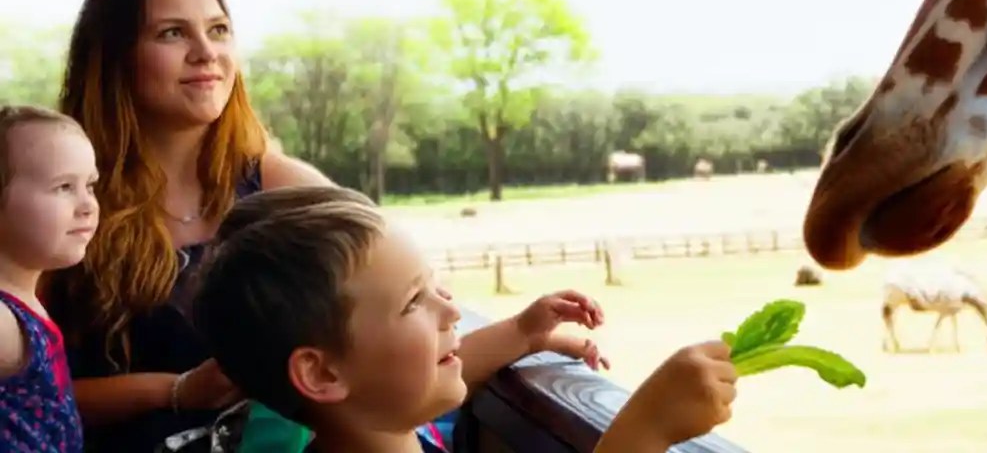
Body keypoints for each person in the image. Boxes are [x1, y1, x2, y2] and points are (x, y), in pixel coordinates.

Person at [40, 0, 334, 452]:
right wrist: (171, 391)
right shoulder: (57, 199)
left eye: (218, 30)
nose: (205, 52)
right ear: (115, 58)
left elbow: (394, 309)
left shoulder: (284, 188)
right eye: (172, 33)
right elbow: (26, 394)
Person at [192, 186, 739, 453]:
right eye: (414, 301)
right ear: (322, 374)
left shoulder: (372, 424)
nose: (451, 309)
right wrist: (645, 430)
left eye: (436, 286)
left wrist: (525, 332)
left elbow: (419, 372)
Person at [0, 105, 100, 451]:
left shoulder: (25, 300)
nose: (87, 204)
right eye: (63, 187)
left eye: (90, 185)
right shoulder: (4, 320)